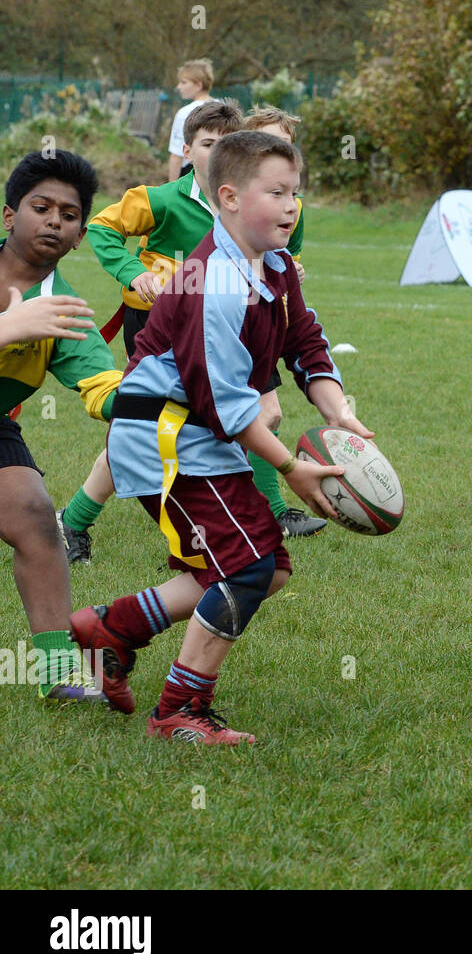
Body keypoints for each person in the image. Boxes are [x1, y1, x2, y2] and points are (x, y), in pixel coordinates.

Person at [70, 131, 371, 740]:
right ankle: (179, 709)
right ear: (229, 197)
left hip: (198, 434)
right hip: (166, 437)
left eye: (297, 193)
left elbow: (305, 342)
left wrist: (337, 412)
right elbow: (225, 405)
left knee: (265, 568)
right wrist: (292, 468)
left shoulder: (276, 267)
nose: (292, 206)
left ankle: (111, 630)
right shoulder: (212, 282)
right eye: (277, 192)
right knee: (249, 569)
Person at [55, 100, 244, 565]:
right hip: (155, 327)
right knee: (156, 423)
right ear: (186, 149)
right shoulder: (161, 199)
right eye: (207, 143)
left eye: (227, 144)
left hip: (218, 327)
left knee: (228, 419)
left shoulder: (244, 206)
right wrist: (130, 272)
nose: (217, 151)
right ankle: (76, 520)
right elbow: (101, 227)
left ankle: (248, 521)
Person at [0, 150, 122, 701]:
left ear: (78, 237)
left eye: (69, 215)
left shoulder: (62, 310)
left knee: (34, 517)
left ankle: (55, 673)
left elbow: (102, 386)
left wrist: (166, 402)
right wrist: (7, 325)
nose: (54, 220)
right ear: (9, 217)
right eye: (40, 206)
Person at [238, 105, 325, 536]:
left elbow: (287, 253)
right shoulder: (218, 209)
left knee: (266, 413)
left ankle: (268, 512)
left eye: (286, 146)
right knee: (140, 440)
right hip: (212, 331)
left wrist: (289, 268)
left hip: (262, 323)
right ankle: (76, 516)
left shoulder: (293, 205)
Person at [168, 59, 214, 182]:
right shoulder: (224, 108)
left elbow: (177, 156)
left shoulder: (185, 113)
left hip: (191, 176)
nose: (179, 86)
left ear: (198, 85)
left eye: (183, 82)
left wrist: (171, 192)